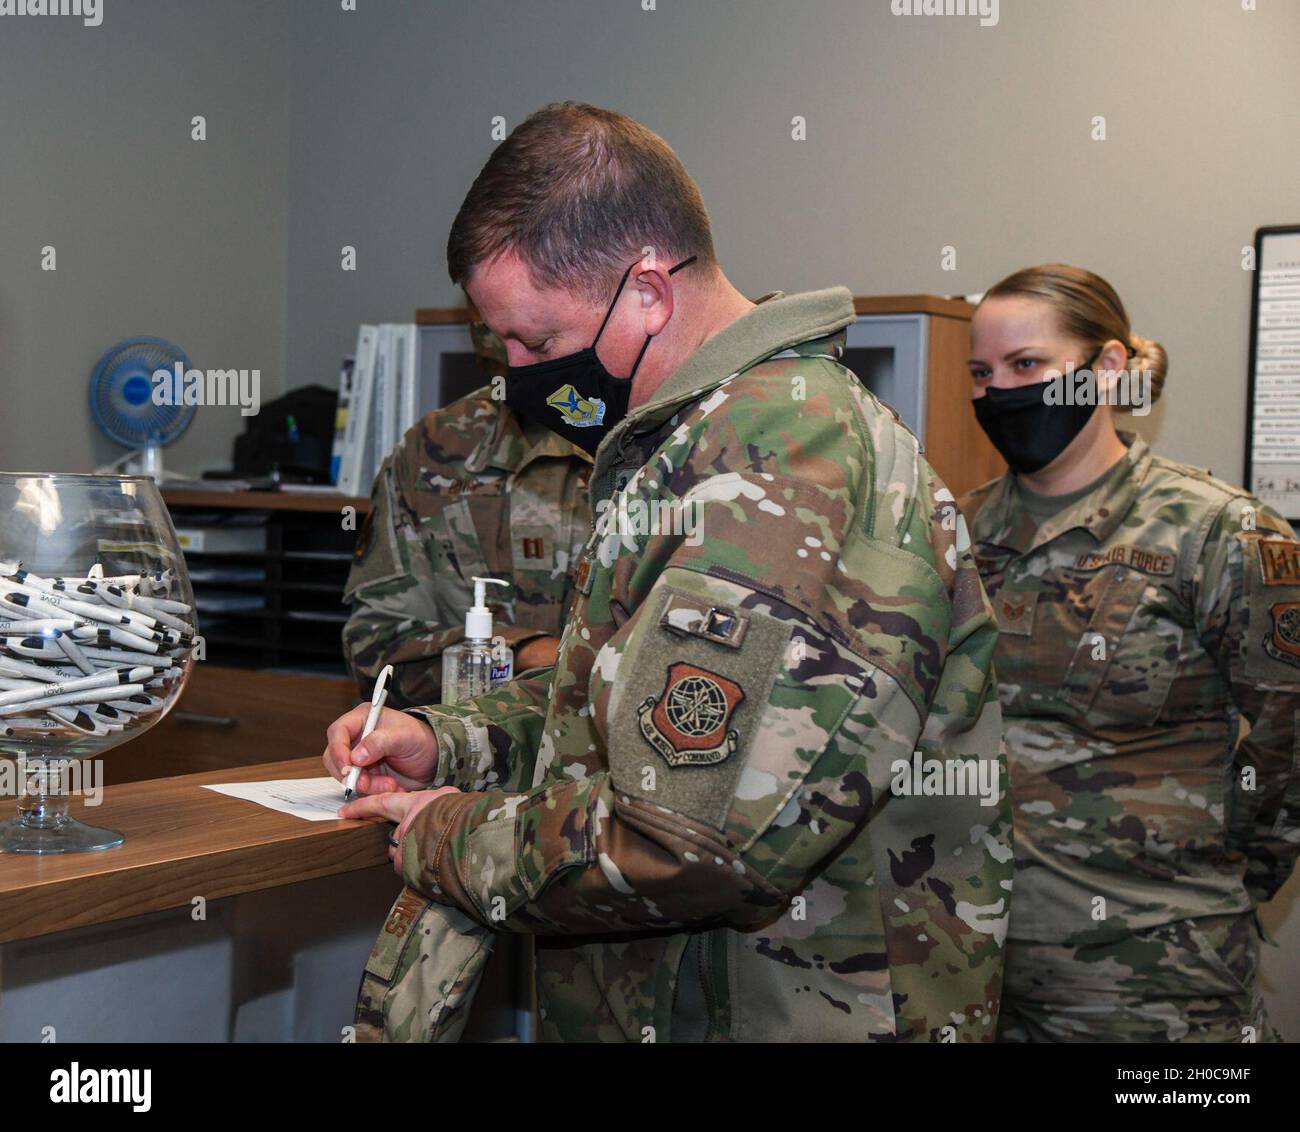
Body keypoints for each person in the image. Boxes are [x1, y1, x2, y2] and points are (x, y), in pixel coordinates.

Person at [325, 101, 1012, 1043]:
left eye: (540, 343)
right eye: (504, 348)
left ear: (648, 288)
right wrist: (451, 743)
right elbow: (625, 715)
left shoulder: (777, 459)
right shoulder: (693, 446)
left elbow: (685, 836)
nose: (520, 377)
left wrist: (451, 834)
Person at [961, 263, 1300, 1042]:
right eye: (981, 373)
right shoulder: (958, 529)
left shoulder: (1216, 532)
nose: (999, 393)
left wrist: (1206, 882)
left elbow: (1287, 744)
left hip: (1156, 980)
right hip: (976, 969)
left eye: (1026, 367)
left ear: (1104, 370)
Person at [342, 319, 592, 707]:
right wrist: (521, 651)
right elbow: (375, 652)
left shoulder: (649, 439)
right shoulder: (435, 448)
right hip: (457, 751)